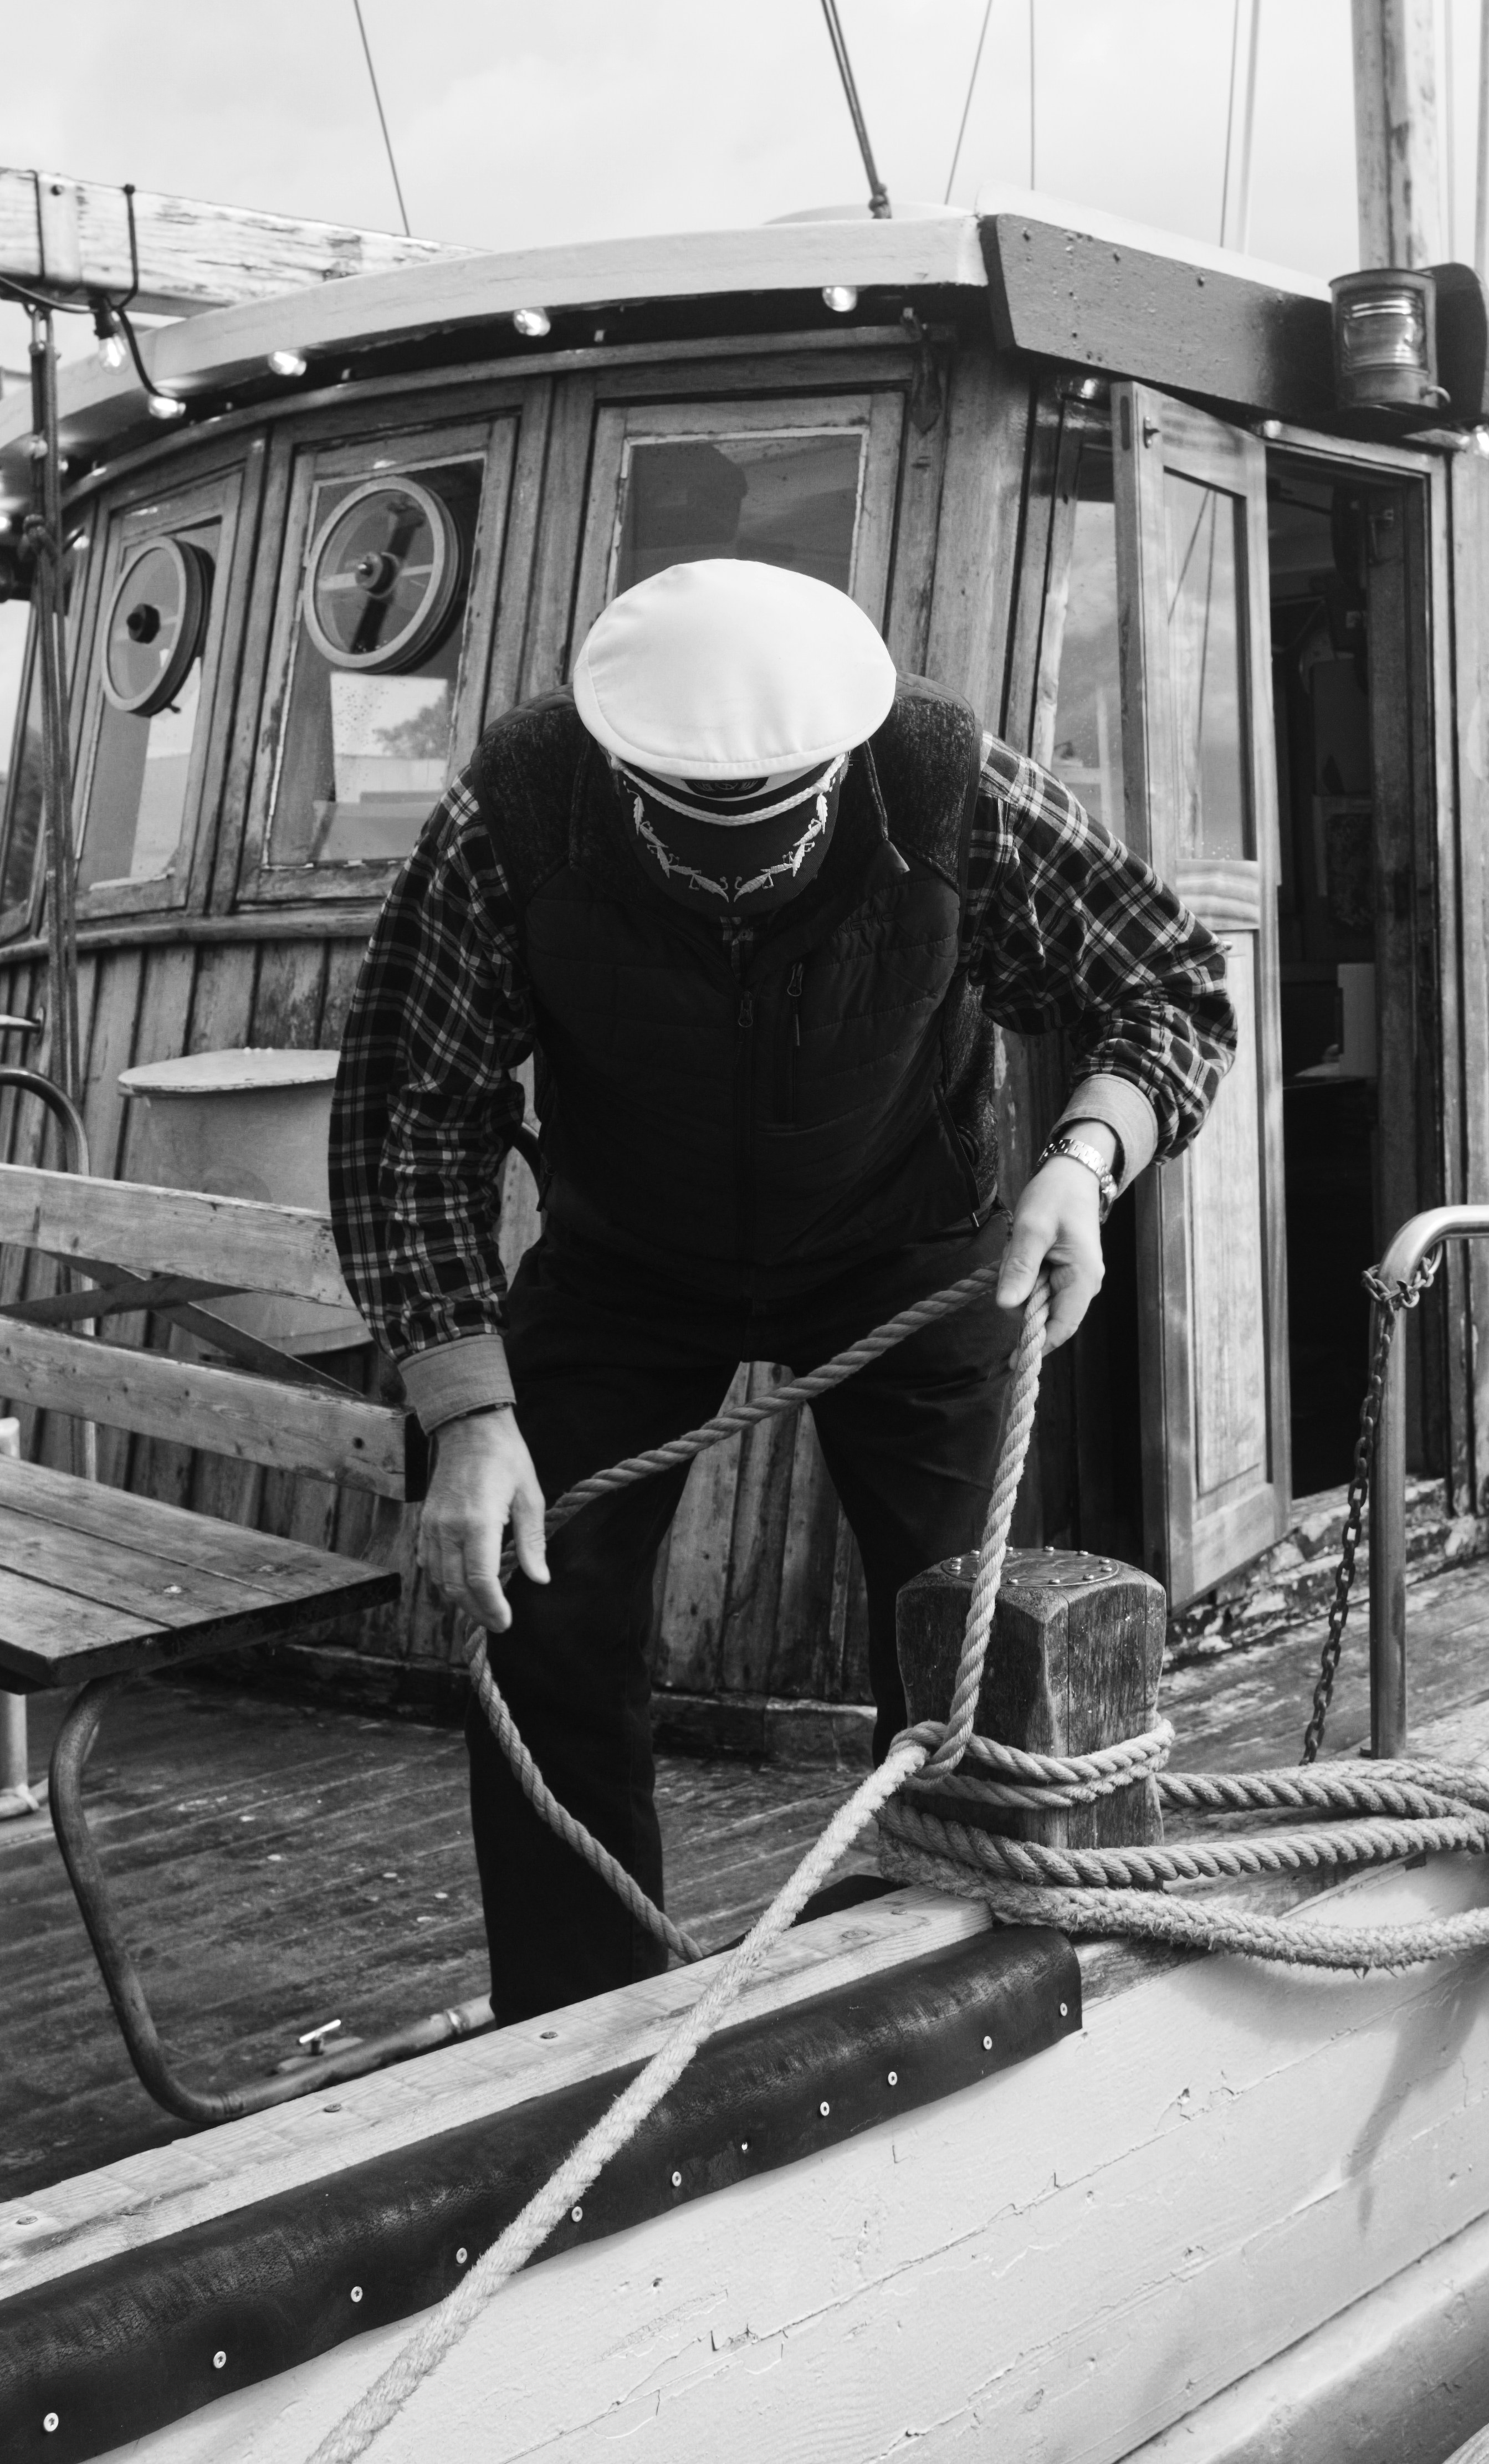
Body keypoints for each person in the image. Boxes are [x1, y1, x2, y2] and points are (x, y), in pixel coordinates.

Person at [331, 558, 1234, 2020]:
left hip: (909, 1241)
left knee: (960, 1629)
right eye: (698, 840)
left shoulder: (949, 786)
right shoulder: (513, 814)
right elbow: (411, 1114)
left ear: (840, 765)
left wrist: (1087, 1157)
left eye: (775, 835)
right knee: (538, 1615)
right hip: (626, 1263)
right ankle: (578, 2023)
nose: (740, 879)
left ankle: (952, 1967)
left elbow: (1169, 985)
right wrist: (467, 1411)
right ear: (622, 777)